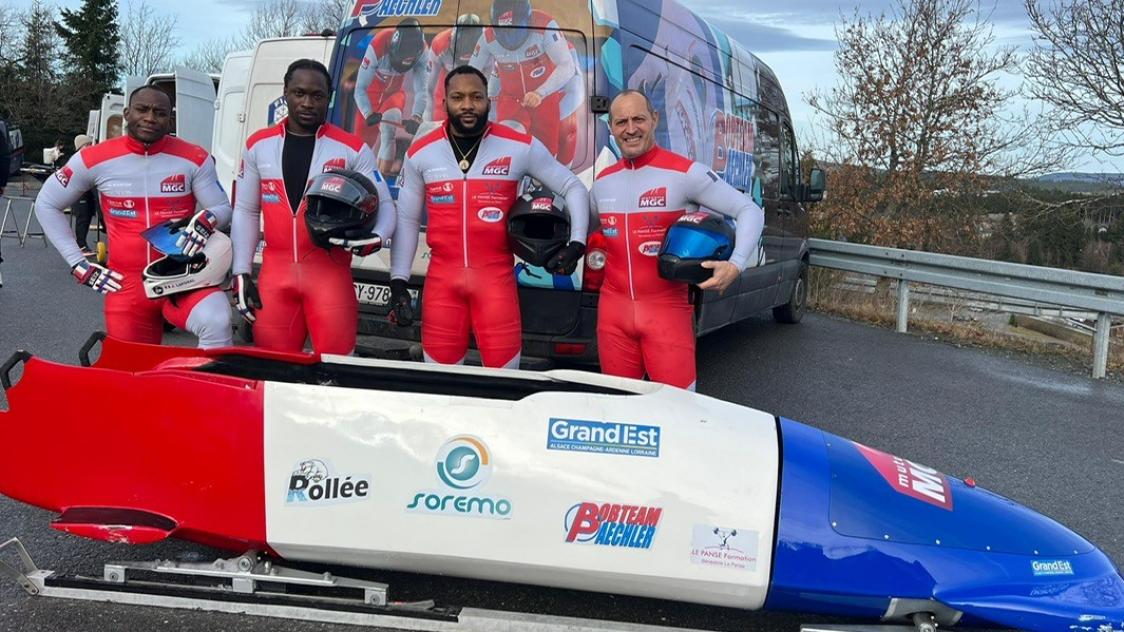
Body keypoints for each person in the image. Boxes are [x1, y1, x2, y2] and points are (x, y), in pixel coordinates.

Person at [389, 65, 589, 369]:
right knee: (438, 390)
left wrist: (577, 244)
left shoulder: (518, 146)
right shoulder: (421, 152)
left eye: (476, 97)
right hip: (443, 285)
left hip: (496, 285)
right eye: (458, 97)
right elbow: (406, 219)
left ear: (488, 101)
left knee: (504, 387)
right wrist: (398, 282)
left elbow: (573, 187)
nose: (467, 105)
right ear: (445, 103)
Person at [590, 90, 765, 391]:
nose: (630, 129)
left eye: (638, 119)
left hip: (667, 315)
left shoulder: (685, 173)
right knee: (617, 414)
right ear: (611, 128)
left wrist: (735, 265)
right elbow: (582, 227)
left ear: (654, 119)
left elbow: (749, 209)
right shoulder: (603, 181)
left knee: (677, 416)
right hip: (613, 316)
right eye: (621, 122)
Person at [35, 86, 234, 348]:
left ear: (170, 120)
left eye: (160, 113)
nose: (150, 117)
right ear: (127, 113)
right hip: (126, 285)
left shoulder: (194, 157)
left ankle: (208, 387)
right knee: (130, 373)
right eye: (142, 109)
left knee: (216, 321)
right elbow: (46, 204)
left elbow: (223, 208)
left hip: (185, 277)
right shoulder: (94, 157)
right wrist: (78, 263)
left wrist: (208, 218)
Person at [231, 58, 395, 355]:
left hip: (329, 279)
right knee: (275, 374)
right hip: (274, 278)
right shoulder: (258, 145)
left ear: (329, 97)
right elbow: (245, 210)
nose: (307, 102)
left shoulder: (352, 147)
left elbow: (385, 203)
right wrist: (240, 271)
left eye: (317, 95)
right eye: (299, 93)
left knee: (336, 373)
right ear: (285, 93)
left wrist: (377, 238)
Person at [469, 0, 583, 167]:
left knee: (545, 158)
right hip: (511, 99)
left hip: (545, 99)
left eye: (515, 31)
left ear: (529, 21)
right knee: (508, 142)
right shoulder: (487, 38)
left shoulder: (545, 26)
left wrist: (541, 93)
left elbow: (567, 66)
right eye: (504, 32)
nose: (510, 39)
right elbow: (468, 74)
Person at [353, 18, 429, 176]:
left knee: (389, 130)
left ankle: (382, 182)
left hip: (394, 92)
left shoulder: (422, 51)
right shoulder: (378, 44)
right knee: (361, 147)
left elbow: (422, 90)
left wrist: (416, 117)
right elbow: (359, 89)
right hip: (370, 94)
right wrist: (367, 113)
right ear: (393, 47)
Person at [414, 14, 483, 124]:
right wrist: (427, 120)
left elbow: (491, 91)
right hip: (447, 93)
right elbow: (428, 88)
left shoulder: (488, 44)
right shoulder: (439, 45)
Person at [70, 134, 101, 256]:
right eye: (88, 145)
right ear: (81, 146)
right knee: (82, 218)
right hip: (79, 193)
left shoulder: (86, 158)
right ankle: (81, 246)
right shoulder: (78, 159)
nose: (90, 147)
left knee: (87, 217)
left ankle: (82, 245)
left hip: (86, 192)